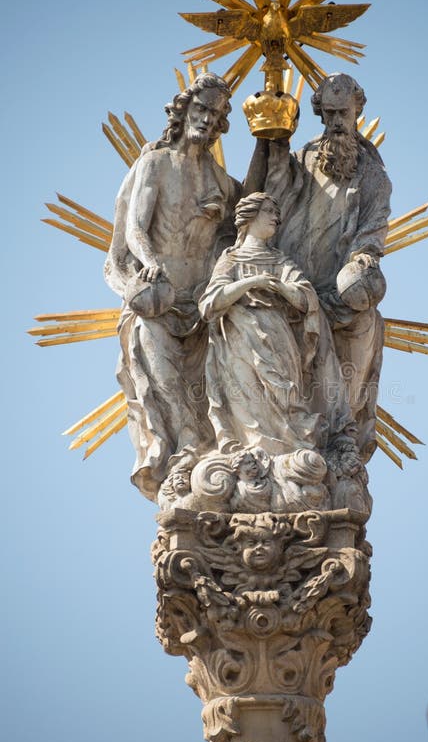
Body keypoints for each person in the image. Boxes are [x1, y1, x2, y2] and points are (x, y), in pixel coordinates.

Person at [104, 73, 241, 500]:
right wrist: (149, 266)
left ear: (221, 125)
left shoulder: (219, 181)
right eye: (201, 109)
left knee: (214, 375)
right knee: (149, 342)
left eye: (216, 114)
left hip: (203, 301)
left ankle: (213, 446)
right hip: (158, 297)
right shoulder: (155, 164)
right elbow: (134, 229)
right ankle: (182, 445)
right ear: (183, 113)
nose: (207, 118)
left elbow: (251, 220)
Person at [251, 73, 392, 459]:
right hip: (293, 281)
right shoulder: (304, 159)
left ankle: (340, 432)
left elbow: (372, 233)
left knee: (363, 325)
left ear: (358, 109)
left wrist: (363, 262)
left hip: (341, 290)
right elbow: (268, 200)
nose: (336, 122)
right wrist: (271, 142)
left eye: (342, 113)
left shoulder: (374, 176)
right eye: (328, 114)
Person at [199, 192, 351, 457]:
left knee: (285, 396)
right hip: (239, 338)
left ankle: (291, 451)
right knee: (249, 401)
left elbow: (305, 297)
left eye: (276, 213)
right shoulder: (231, 260)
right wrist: (250, 283)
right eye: (269, 211)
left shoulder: (280, 261)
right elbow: (209, 304)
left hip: (279, 336)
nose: (275, 218)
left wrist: (281, 287)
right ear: (249, 216)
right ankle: (256, 454)